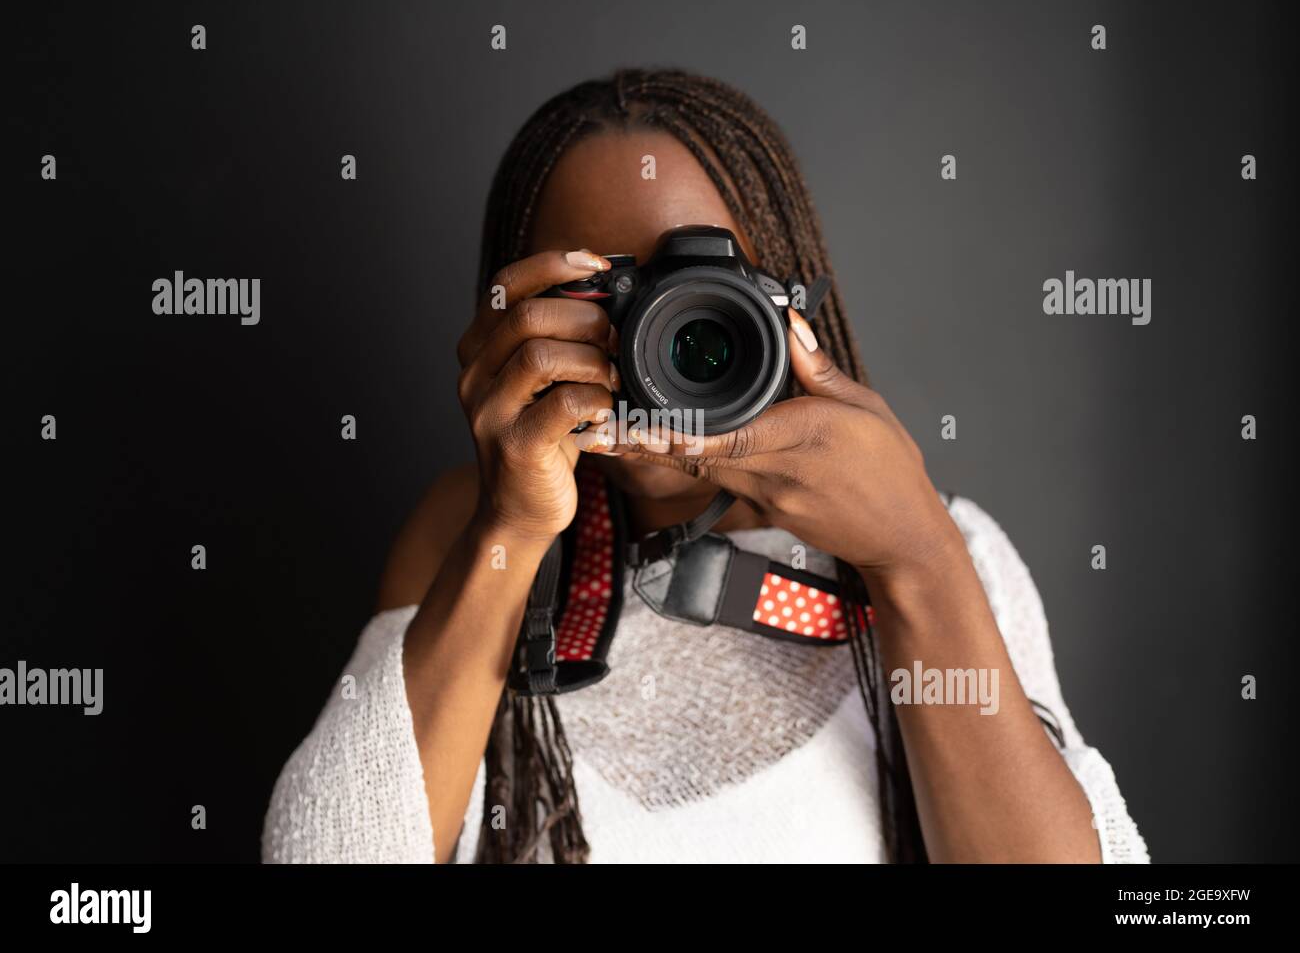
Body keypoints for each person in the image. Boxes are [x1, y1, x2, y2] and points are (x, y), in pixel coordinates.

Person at [262, 68, 1148, 864]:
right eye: (604, 295)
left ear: (792, 309)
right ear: (515, 311)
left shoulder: (943, 549)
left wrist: (915, 556)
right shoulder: (472, 532)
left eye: (708, 296)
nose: (659, 339)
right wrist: (513, 527)